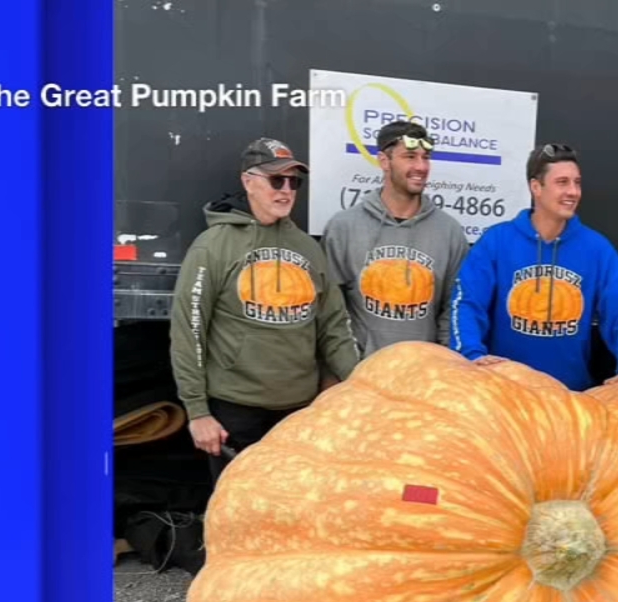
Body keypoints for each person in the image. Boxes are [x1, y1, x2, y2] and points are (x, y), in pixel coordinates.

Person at [169, 137, 362, 481]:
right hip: (235, 412)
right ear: (248, 182)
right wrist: (197, 412)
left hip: (298, 412)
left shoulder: (308, 248)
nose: (286, 190)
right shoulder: (213, 246)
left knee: (289, 510)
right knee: (236, 516)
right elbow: (188, 331)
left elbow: (334, 328)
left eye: (294, 182)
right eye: (276, 180)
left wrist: (363, 387)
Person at [447, 143, 618, 390]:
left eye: (577, 182)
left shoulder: (596, 249)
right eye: (562, 182)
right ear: (536, 187)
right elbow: (467, 303)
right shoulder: (497, 242)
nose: (573, 191)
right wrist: (471, 354)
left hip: (568, 396)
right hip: (503, 393)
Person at [322, 120, 469, 356]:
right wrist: (348, 367)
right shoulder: (344, 228)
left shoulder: (449, 232)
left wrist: (444, 364)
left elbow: (451, 312)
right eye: (410, 156)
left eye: (426, 157)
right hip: (361, 375)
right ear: (384, 161)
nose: (421, 166)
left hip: (424, 375)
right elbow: (331, 312)